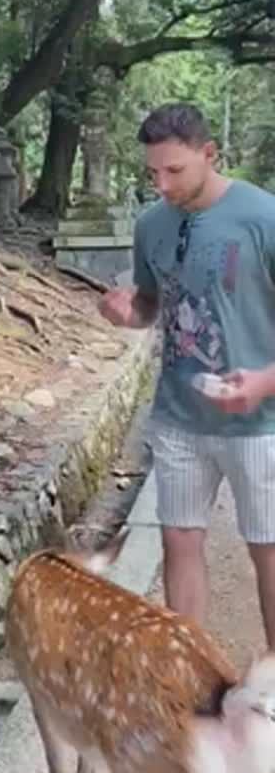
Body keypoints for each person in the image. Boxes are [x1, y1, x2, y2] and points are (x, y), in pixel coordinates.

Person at [99, 101, 275, 647]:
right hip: (178, 415)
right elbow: (153, 305)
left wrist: (264, 382)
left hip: (261, 422)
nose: (162, 184)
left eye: (174, 171)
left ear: (208, 154)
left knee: (266, 546)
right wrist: (129, 313)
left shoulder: (262, 218)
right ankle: (191, 675)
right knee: (179, 540)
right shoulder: (151, 223)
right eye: (153, 172)